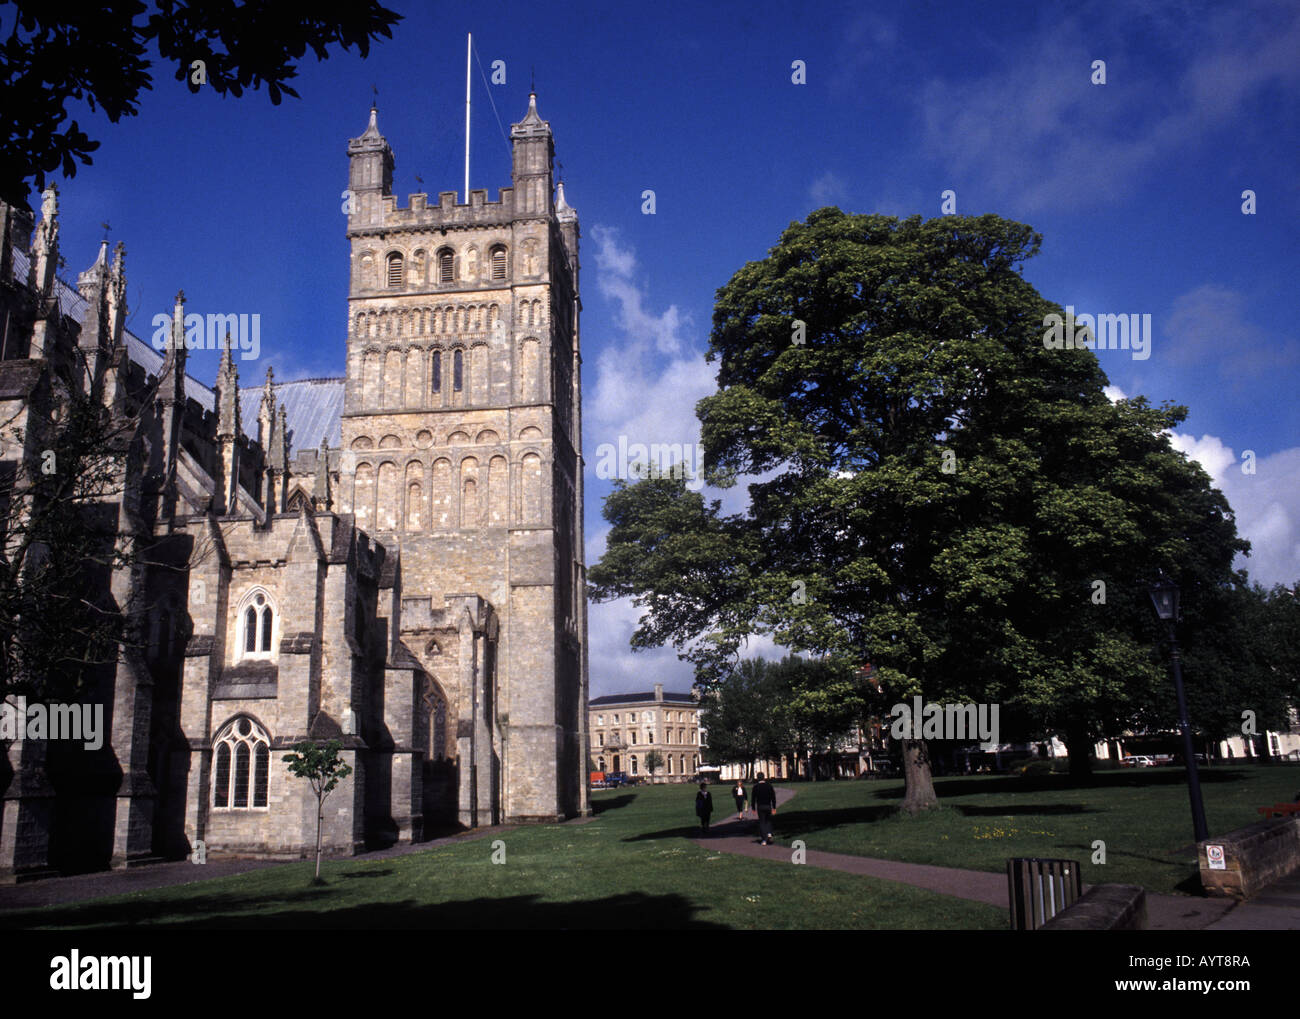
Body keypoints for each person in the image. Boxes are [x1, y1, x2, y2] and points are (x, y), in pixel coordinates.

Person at [752, 772, 777, 845]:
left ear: (757, 778)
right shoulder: (769, 786)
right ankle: (769, 833)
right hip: (768, 805)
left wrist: (753, 808)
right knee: (768, 820)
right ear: (764, 777)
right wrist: (774, 807)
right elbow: (773, 797)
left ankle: (764, 840)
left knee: (762, 822)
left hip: (760, 806)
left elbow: (753, 799)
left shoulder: (755, 787)